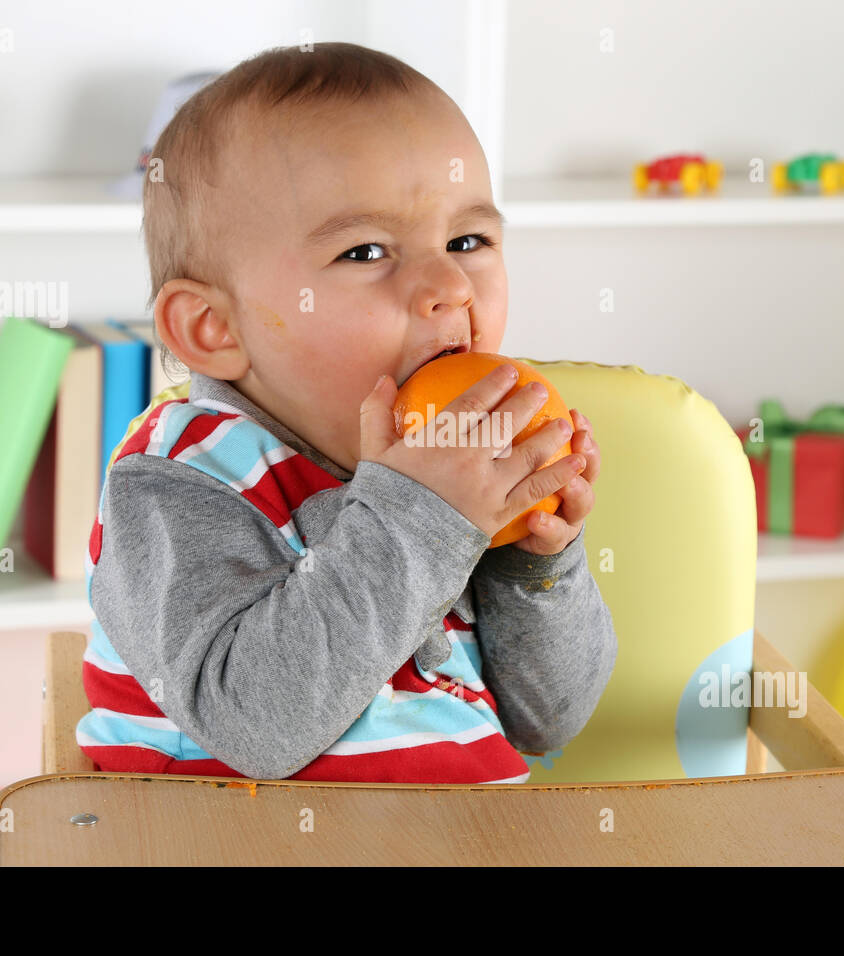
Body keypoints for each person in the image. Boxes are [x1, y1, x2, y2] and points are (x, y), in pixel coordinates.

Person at [76, 42, 617, 783]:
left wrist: (536, 566)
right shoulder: (176, 480)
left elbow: (548, 722)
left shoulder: (456, 468)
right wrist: (418, 520)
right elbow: (254, 726)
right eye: (366, 252)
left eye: (468, 240)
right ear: (215, 329)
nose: (450, 285)